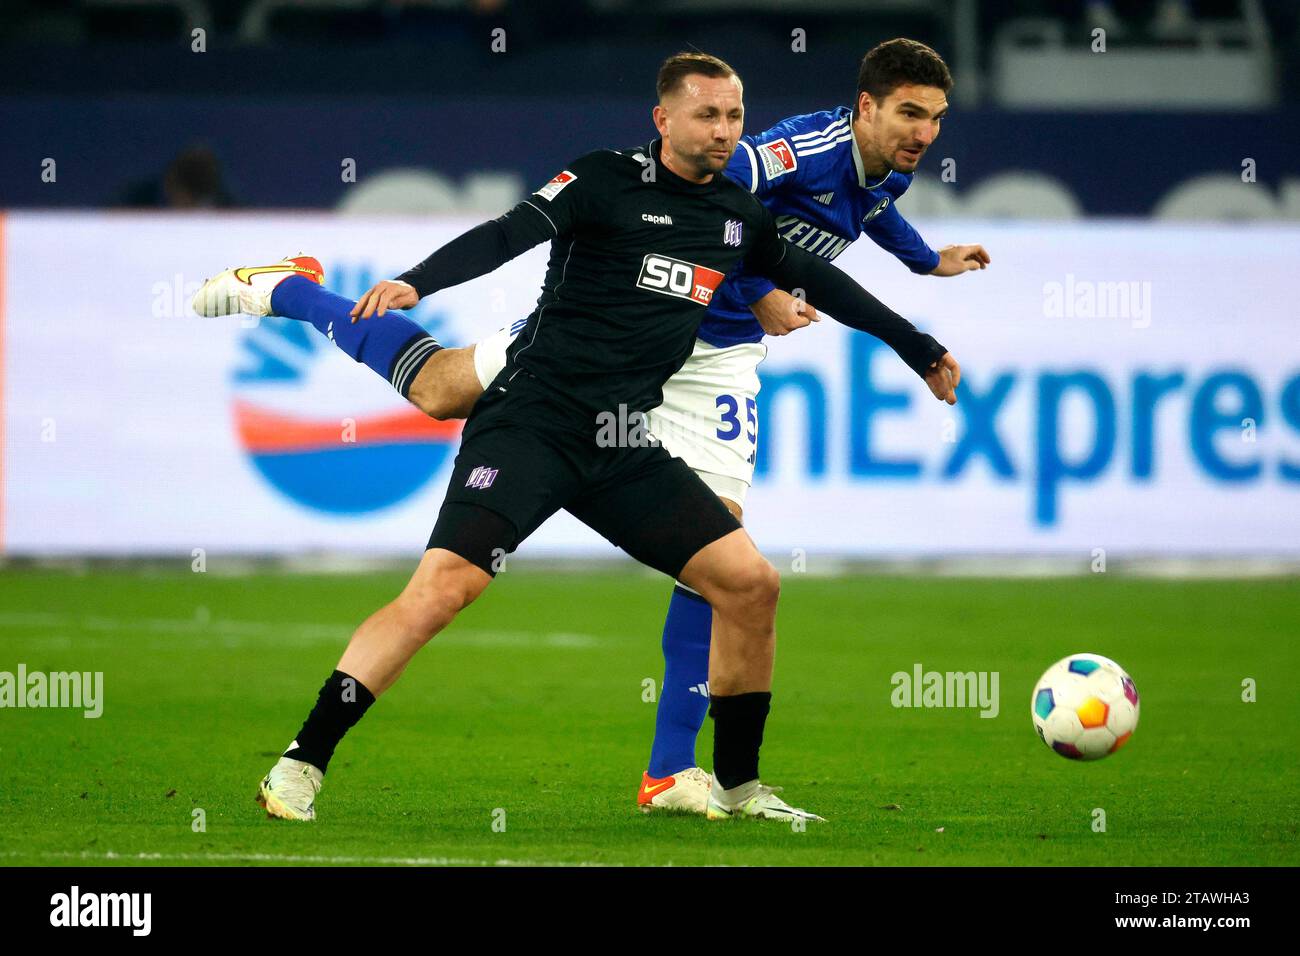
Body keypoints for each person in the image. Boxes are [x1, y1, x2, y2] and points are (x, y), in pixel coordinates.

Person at [193, 52, 960, 824]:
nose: (726, 131)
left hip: (621, 440)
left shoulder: (735, 216)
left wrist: (917, 346)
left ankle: (733, 784)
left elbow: (821, 278)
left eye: (733, 116)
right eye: (707, 115)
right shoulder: (602, 179)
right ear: (663, 120)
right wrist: (420, 281)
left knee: (749, 581)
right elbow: (505, 234)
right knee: (445, 582)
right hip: (535, 421)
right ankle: (303, 760)